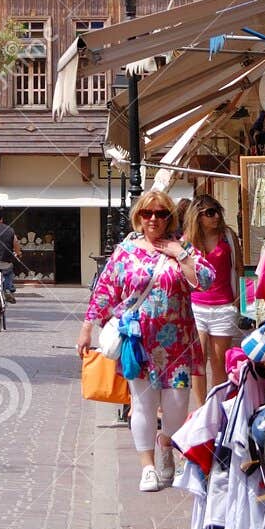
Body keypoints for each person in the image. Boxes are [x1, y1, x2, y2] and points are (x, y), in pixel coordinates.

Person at [77, 190, 211, 493]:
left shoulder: (182, 247)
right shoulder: (125, 251)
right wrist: (86, 328)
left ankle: (167, 446)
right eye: (148, 213)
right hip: (139, 341)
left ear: (170, 217)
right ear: (138, 216)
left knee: (177, 406)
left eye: (161, 213)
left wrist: (180, 254)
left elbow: (205, 280)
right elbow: (105, 291)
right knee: (142, 405)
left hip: (177, 341)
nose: (154, 219)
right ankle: (148, 467)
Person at [185, 193, 241, 406]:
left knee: (219, 363)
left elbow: (239, 267)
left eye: (217, 211)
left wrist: (240, 300)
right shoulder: (187, 242)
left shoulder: (228, 236)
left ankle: (216, 408)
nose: (216, 216)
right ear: (197, 216)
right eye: (209, 212)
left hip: (224, 306)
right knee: (197, 362)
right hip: (196, 305)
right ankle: (201, 410)